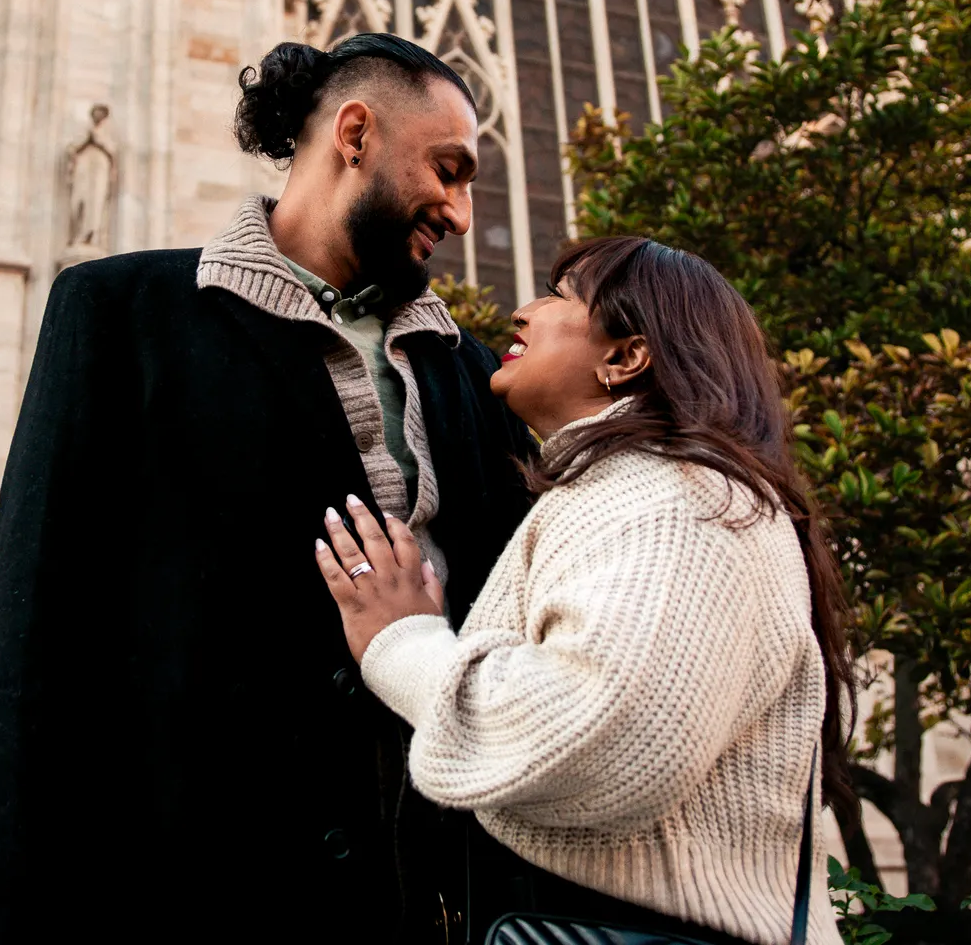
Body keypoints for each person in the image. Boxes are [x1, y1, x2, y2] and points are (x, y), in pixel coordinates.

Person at [0, 34, 534, 941]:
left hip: (422, 906)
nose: (463, 214)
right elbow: (33, 642)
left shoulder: (469, 377)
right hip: (186, 900)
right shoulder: (120, 317)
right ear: (355, 133)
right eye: (448, 169)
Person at [313, 237, 855, 945]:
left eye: (560, 296)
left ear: (626, 356)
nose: (522, 312)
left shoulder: (672, 497)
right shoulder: (646, 488)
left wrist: (403, 643)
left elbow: (603, 736)